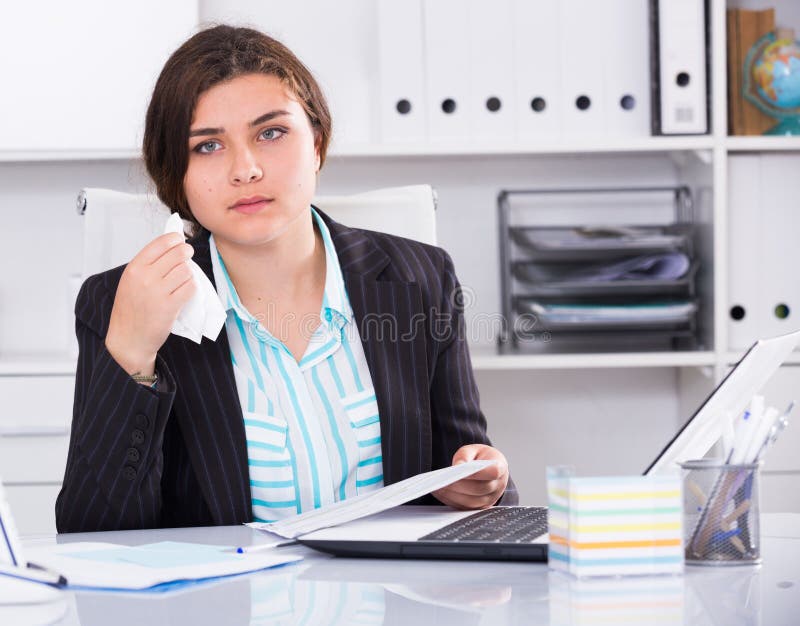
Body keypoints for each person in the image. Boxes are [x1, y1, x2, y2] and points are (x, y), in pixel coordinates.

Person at [56, 24, 517, 533]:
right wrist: (132, 357)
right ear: (177, 175)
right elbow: (91, 535)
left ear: (316, 143)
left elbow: (475, 477)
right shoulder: (116, 301)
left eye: (270, 133)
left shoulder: (421, 277)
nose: (246, 169)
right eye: (208, 146)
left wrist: (479, 483)